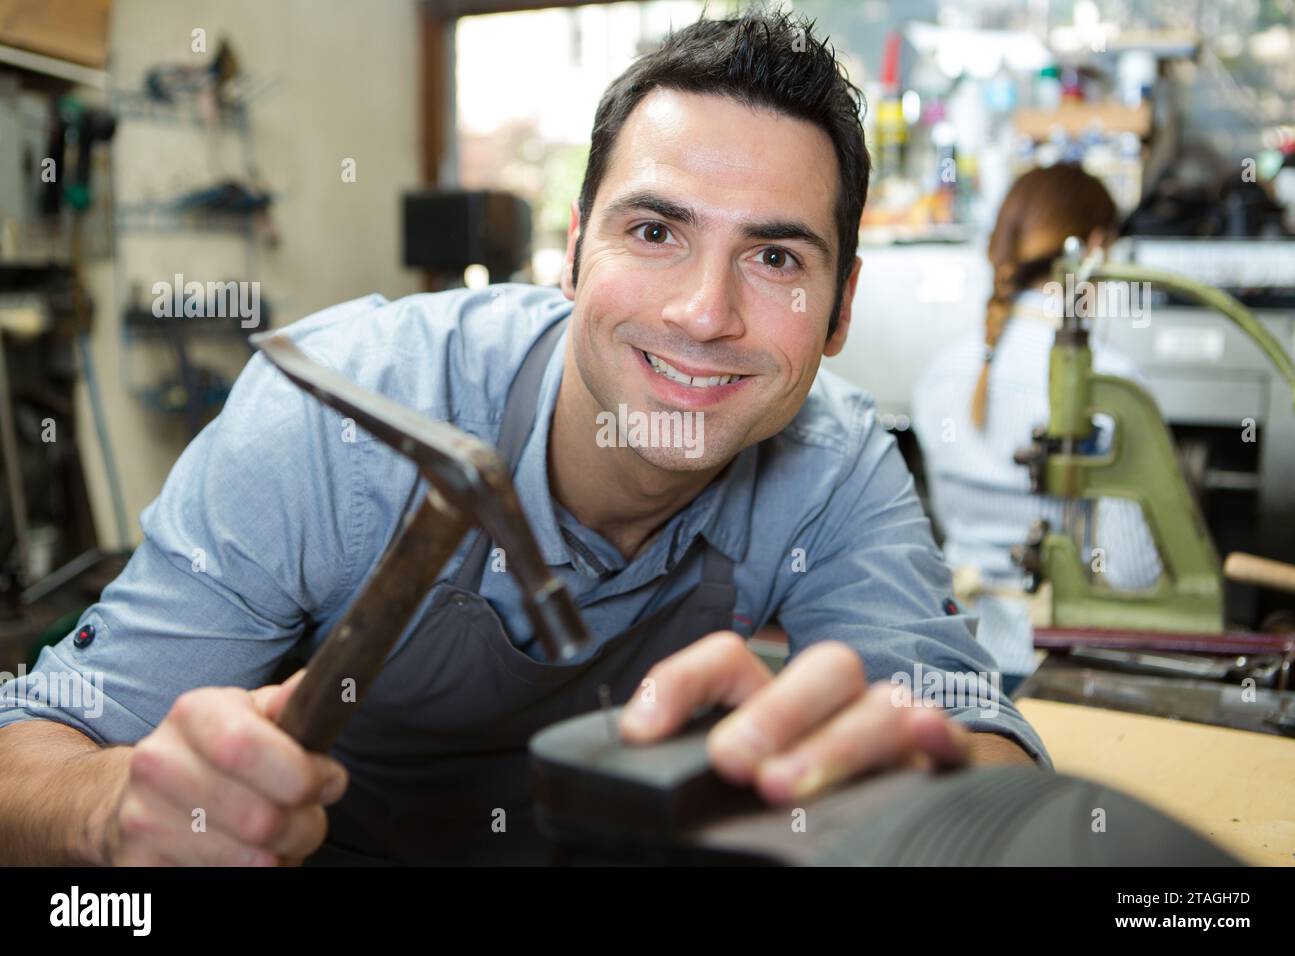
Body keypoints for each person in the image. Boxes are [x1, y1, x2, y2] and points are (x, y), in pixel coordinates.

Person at [0, 9, 1048, 867]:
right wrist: (116, 806)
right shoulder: (336, 419)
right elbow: (29, 753)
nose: (703, 312)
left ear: (840, 308)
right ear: (574, 250)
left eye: (775, 258)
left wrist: (911, 796)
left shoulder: (829, 463)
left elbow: (990, 754)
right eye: (655, 231)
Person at [912, 164, 1162, 678]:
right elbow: (1133, 575)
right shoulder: (1113, 387)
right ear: (1095, 248)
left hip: (952, 655)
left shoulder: (939, 372)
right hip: (1056, 671)